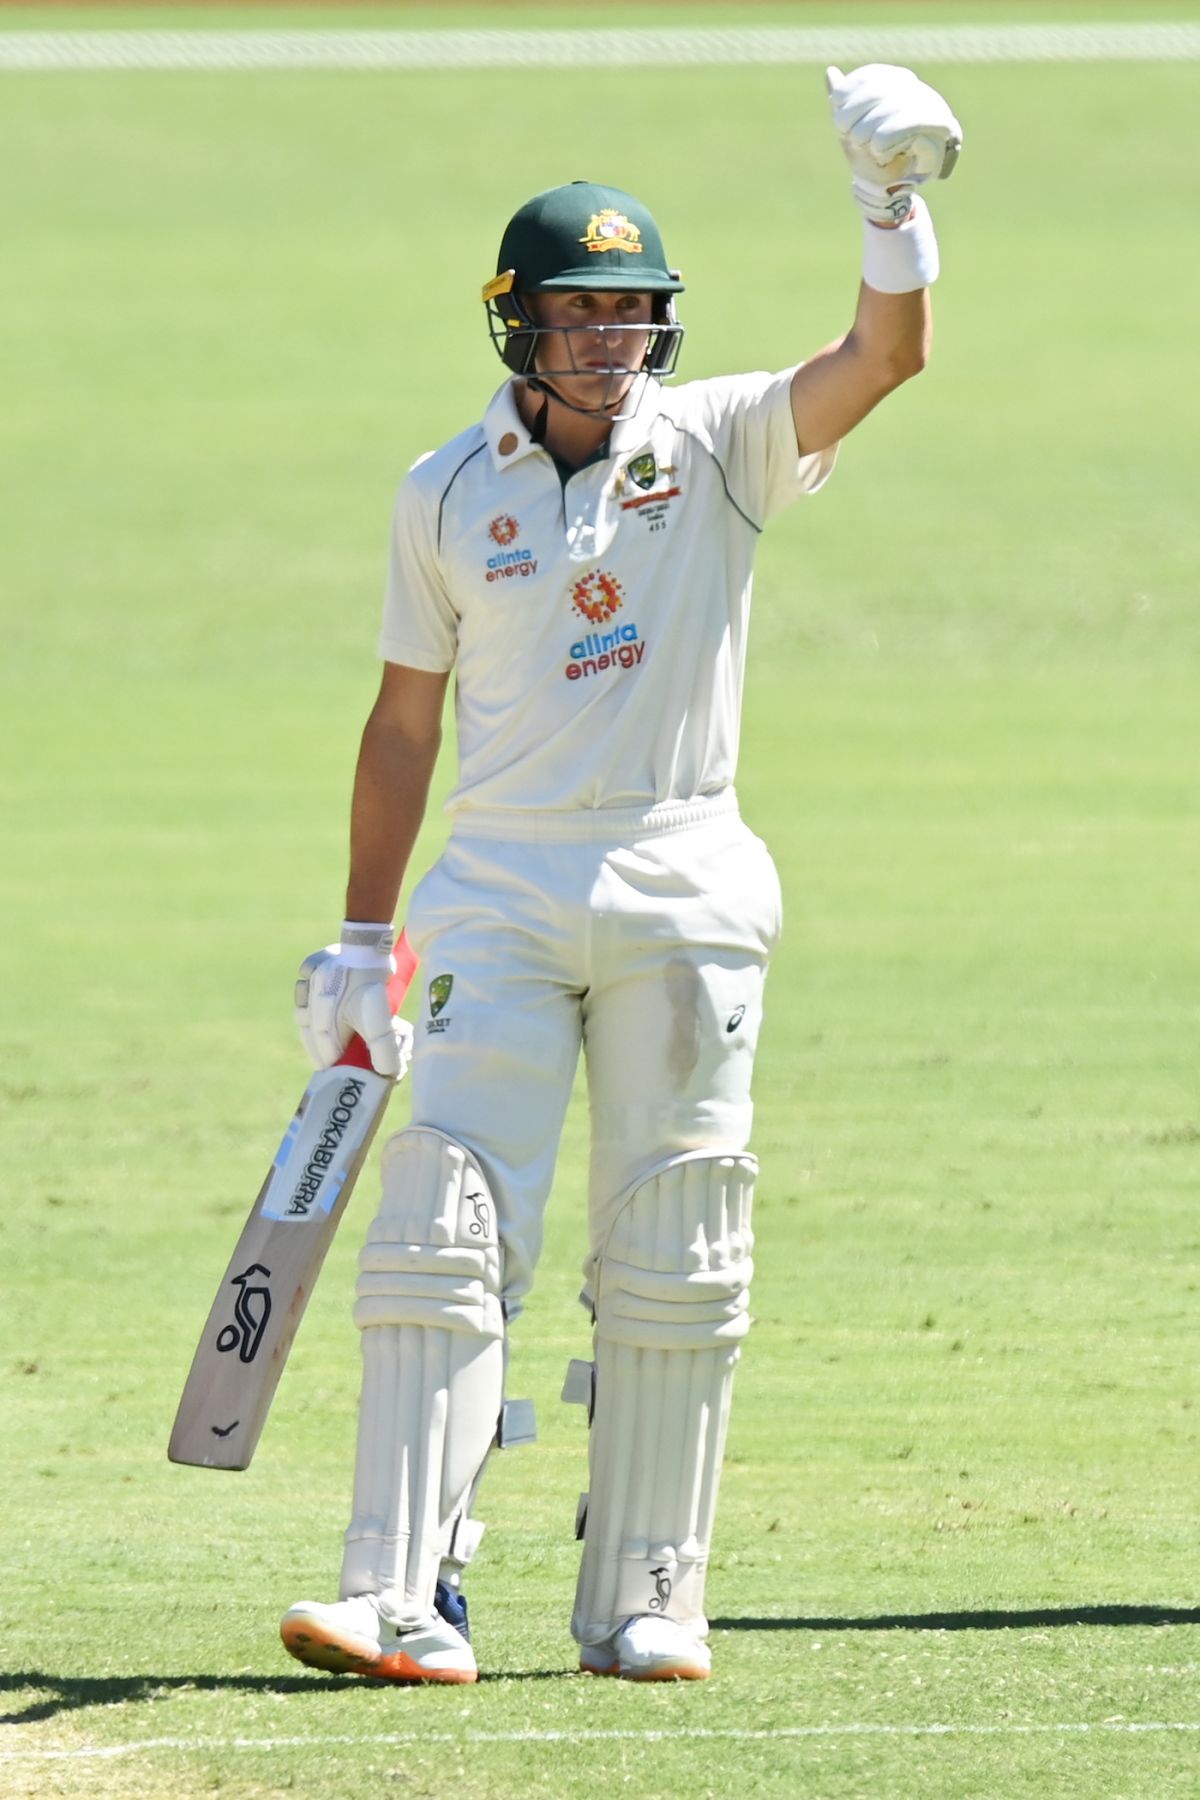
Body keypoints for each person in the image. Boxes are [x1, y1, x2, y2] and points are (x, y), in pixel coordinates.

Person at [279, 63, 962, 1685]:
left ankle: (652, 1592)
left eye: (635, 310)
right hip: (495, 891)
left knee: (676, 1237)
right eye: (581, 312)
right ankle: (407, 1592)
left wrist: (893, 205)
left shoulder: (719, 438)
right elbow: (400, 723)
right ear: (517, 322)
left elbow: (888, 356)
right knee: (440, 1226)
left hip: (683, 876)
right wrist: (361, 936)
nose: (614, 338)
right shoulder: (445, 490)